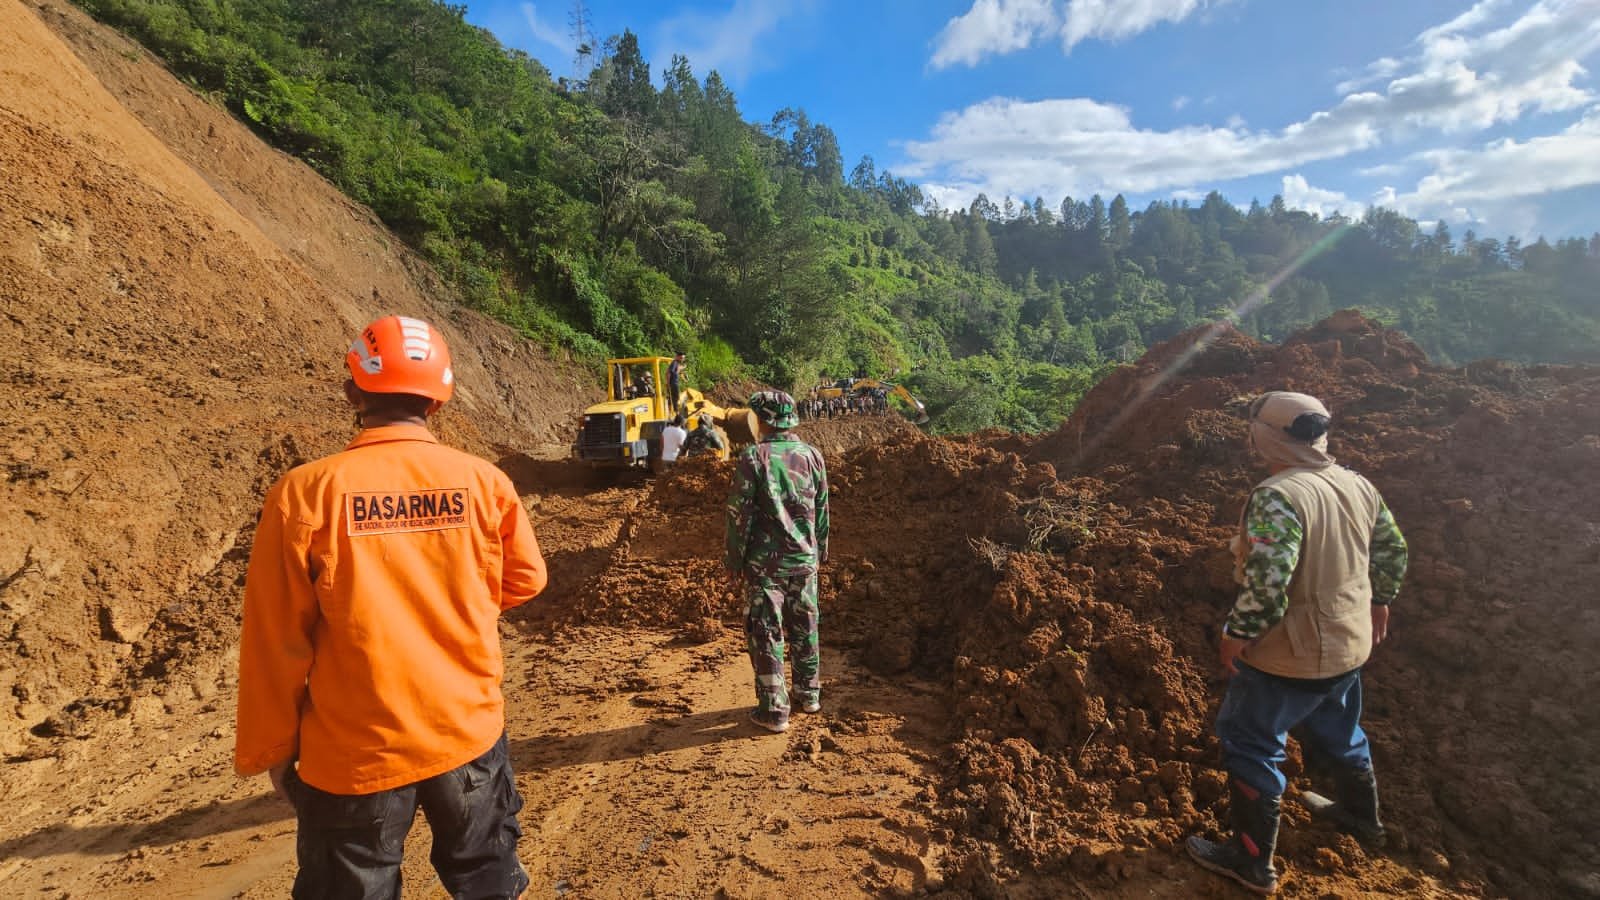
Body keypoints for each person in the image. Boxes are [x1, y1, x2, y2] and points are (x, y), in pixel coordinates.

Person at [235, 315, 548, 899]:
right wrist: (456, 604)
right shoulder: (483, 482)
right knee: (488, 880)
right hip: (467, 730)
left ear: (352, 389)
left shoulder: (304, 494)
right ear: (438, 401)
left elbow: (275, 637)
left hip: (355, 749)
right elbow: (526, 578)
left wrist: (273, 749)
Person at [1186, 391, 1408, 895]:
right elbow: (1392, 548)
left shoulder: (1278, 496)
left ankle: (1250, 861)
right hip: (1350, 644)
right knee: (1340, 727)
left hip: (1292, 654)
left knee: (1248, 740)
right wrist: (1380, 600)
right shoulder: (1356, 483)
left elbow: (1269, 582)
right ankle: (1360, 819)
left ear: (1265, 436)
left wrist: (1235, 636)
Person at [724, 390, 829, 734]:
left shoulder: (754, 458)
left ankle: (774, 711)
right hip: (805, 561)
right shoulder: (813, 455)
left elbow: (740, 516)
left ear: (762, 419)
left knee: (766, 632)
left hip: (765, 567)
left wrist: (734, 560)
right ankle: (809, 694)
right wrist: (819, 552)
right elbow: (822, 512)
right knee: (806, 626)